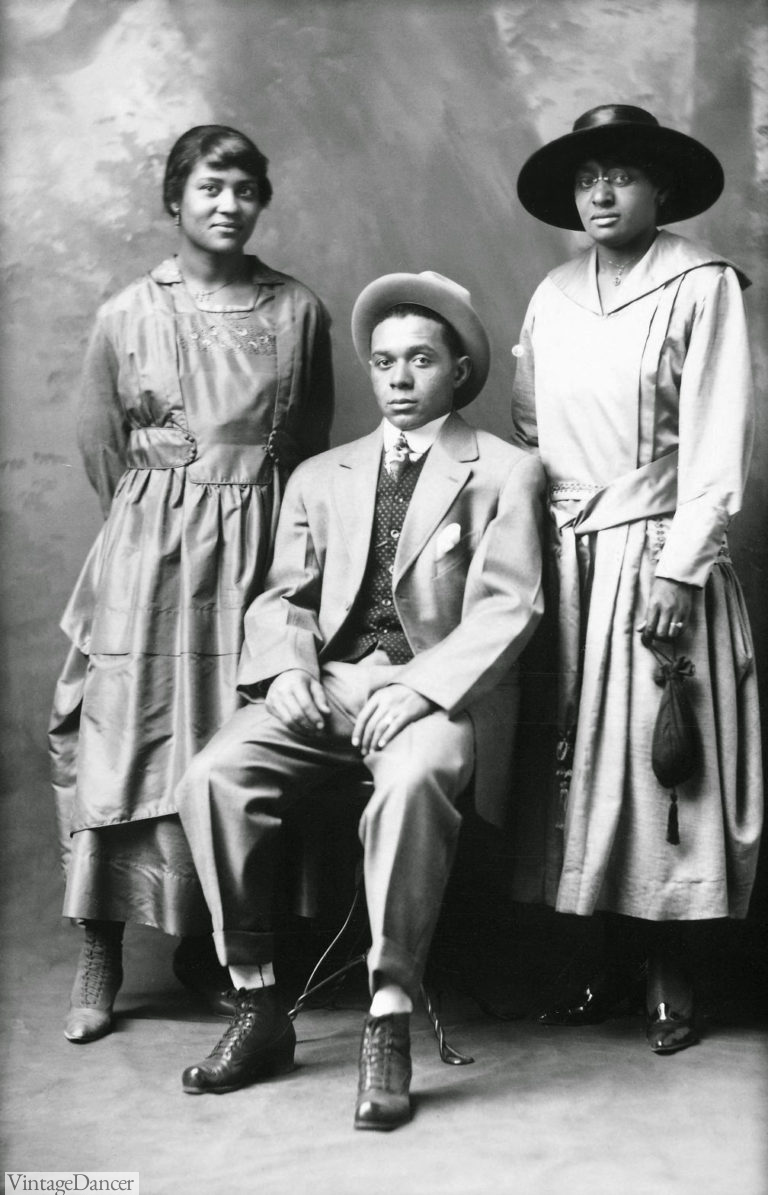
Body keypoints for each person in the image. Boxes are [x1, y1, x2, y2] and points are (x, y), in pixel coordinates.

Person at [175, 271, 545, 1129]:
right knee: (213, 775)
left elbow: (508, 606)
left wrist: (419, 687)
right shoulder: (321, 474)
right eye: (385, 362)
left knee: (414, 781)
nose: (400, 379)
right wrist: (291, 671)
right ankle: (259, 1002)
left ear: (458, 371)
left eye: (421, 360)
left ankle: (387, 1014)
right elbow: (283, 597)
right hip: (332, 684)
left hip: (441, 692)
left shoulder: (505, 472)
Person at [49, 124, 334, 1044]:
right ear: (175, 199)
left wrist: (250, 522)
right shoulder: (128, 312)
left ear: (261, 203)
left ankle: (218, 952)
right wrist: (163, 516)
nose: (227, 204)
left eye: (246, 189)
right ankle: (99, 948)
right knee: (126, 738)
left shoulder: (299, 311)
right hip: (152, 555)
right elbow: (102, 452)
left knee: (232, 743)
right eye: (210, 186)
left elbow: (310, 452)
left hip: (258, 553)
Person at [511, 103, 763, 1053]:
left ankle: (673, 973)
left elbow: (717, 431)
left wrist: (681, 562)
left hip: (661, 549)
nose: (603, 192)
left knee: (664, 764)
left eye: (621, 174)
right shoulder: (553, 293)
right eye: (588, 179)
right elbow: (531, 419)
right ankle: (603, 963)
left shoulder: (701, 286)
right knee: (581, 766)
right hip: (572, 549)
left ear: (661, 188)